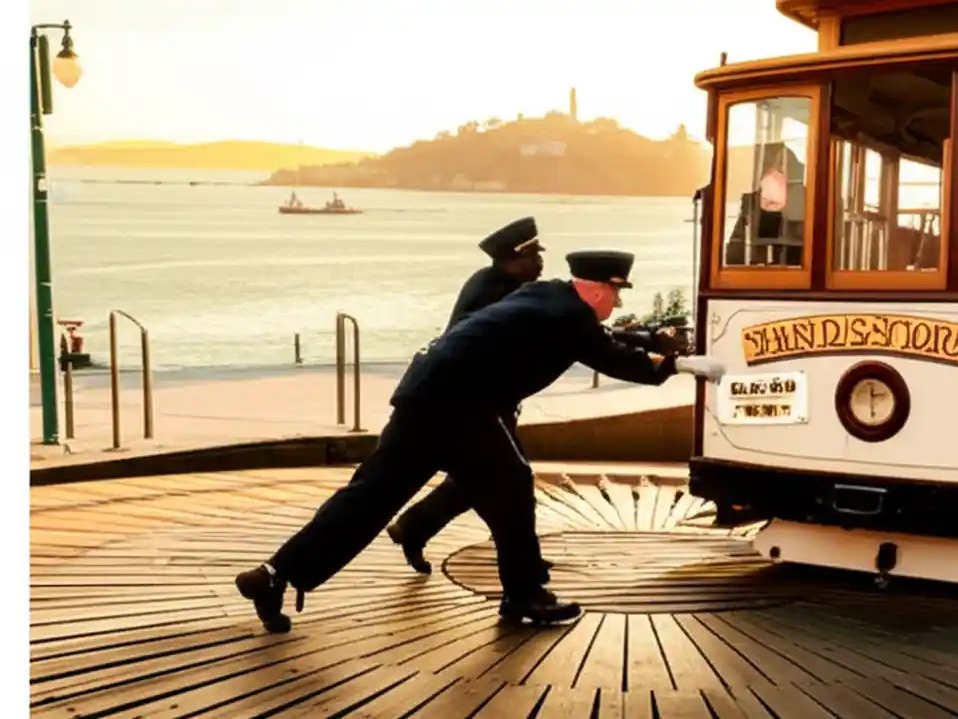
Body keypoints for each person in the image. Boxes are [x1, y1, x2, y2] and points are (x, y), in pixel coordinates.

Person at [234, 249, 726, 633]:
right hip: (463, 408)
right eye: (616, 294)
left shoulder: (546, 296)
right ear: (598, 289)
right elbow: (614, 358)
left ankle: (275, 575)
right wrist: (680, 364)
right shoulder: (568, 316)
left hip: (421, 396)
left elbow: (606, 336)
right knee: (513, 487)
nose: (617, 302)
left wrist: (649, 342)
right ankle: (525, 596)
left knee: (369, 497)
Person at [386, 216, 547, 576]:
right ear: (511, 258)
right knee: (509, 482)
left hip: (484, 401)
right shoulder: (497, 293)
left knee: (486, 480)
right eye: (533, 254)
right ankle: (523, 566)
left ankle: (414, 527)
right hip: (470, 404)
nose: (540, 261)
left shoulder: (495, 284)